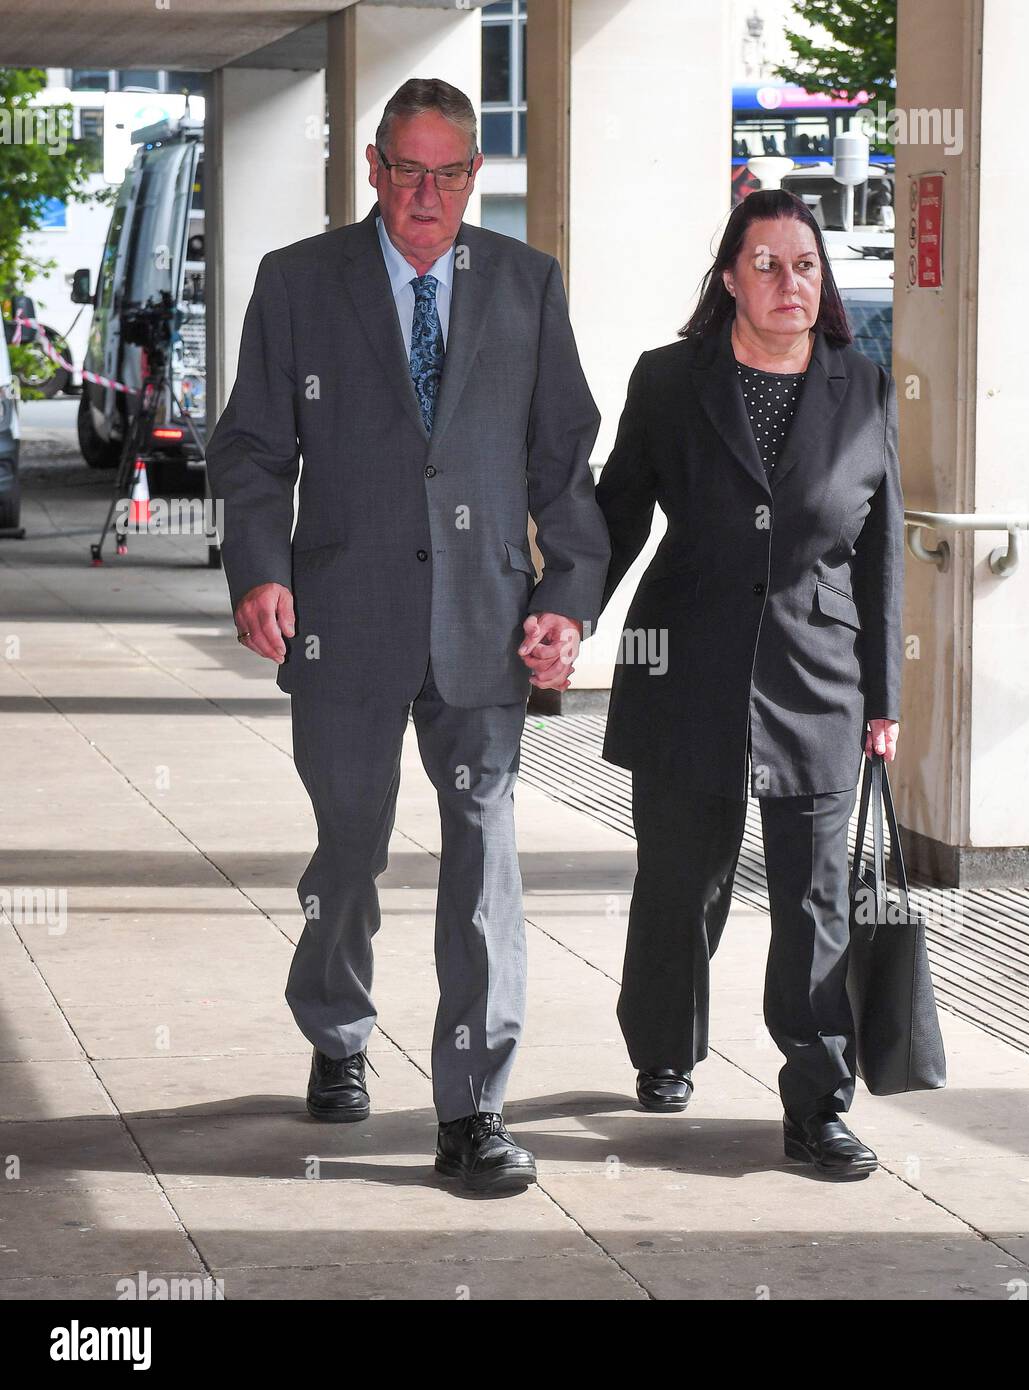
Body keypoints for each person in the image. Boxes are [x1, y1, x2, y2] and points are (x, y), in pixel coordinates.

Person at [206, 78, 610, 1194]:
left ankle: (474, 1107)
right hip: (342, 619)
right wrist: (259, 569)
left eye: (449, 173)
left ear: (474, 176)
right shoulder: (297, 284)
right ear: (373, 167)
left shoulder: (526, 285)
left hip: (483, 618)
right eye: (406, 168)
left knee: (483, 858)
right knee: (350, 849)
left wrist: (566, 601)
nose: (425, 193)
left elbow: (562, 464)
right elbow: (250, 448)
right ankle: (338, 1029)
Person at [595, 189, 903, 1181]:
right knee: (681, 880)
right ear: (727, 277)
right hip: (683, 667)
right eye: (764, 263)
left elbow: (880, 550)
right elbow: (618, 518)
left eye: (803, 264)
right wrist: (563, 618)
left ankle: (817, 1102)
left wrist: (884, 695)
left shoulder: (860, 388)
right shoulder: (669, 380)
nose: (787, 282)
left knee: (815, 901)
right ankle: (663, 1046)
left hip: (818, 680)